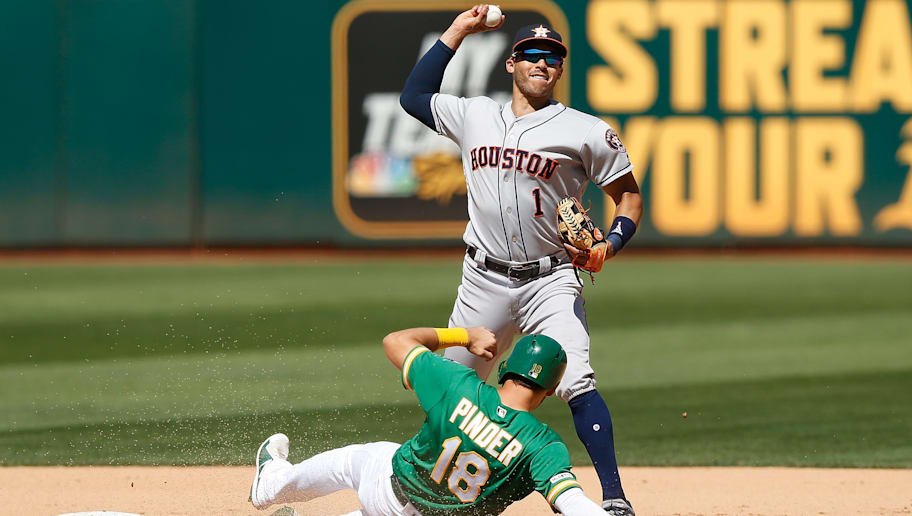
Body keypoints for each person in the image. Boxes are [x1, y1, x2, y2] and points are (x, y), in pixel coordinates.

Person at [398, 6, 643, 515]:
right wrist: (461, 28)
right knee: (451, 396)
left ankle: (615, 498)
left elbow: (631, 200)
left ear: (559, 70)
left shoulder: (585, 131)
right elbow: (413, 97)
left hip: (549, 281)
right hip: (482, 280)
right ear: (511, 63)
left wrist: (608, 246)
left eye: (552, 57)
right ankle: (422, 500)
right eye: (530, 54)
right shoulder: (475, 114)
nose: (541, 62)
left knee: (576, 378)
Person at [249, 326, 609, 515]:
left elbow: (396, 341)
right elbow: (571, 502)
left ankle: (270, 484)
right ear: (550, 389)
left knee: (360, 459)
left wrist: (464, 336)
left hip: (388, 495)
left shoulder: (458, 386)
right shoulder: (543, 445)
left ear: (506, 369)